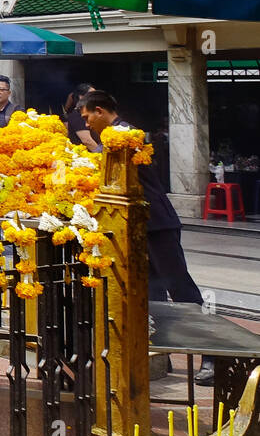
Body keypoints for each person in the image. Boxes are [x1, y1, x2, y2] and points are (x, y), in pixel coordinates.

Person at [80, 90, 213, 384]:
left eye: (87, 116)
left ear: (100, 111)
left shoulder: (125, 135)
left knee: (181, 290)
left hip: (158, 223)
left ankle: (211, 356)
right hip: (137, 226)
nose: (87, 124)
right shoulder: (114, 136)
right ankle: (158, 357)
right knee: (150, 294)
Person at [64, 82, 99, 152]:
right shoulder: (77, 115)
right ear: (81, 97)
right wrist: (103, 156)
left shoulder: (89, 113)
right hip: (87, 157)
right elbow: (87, 141)